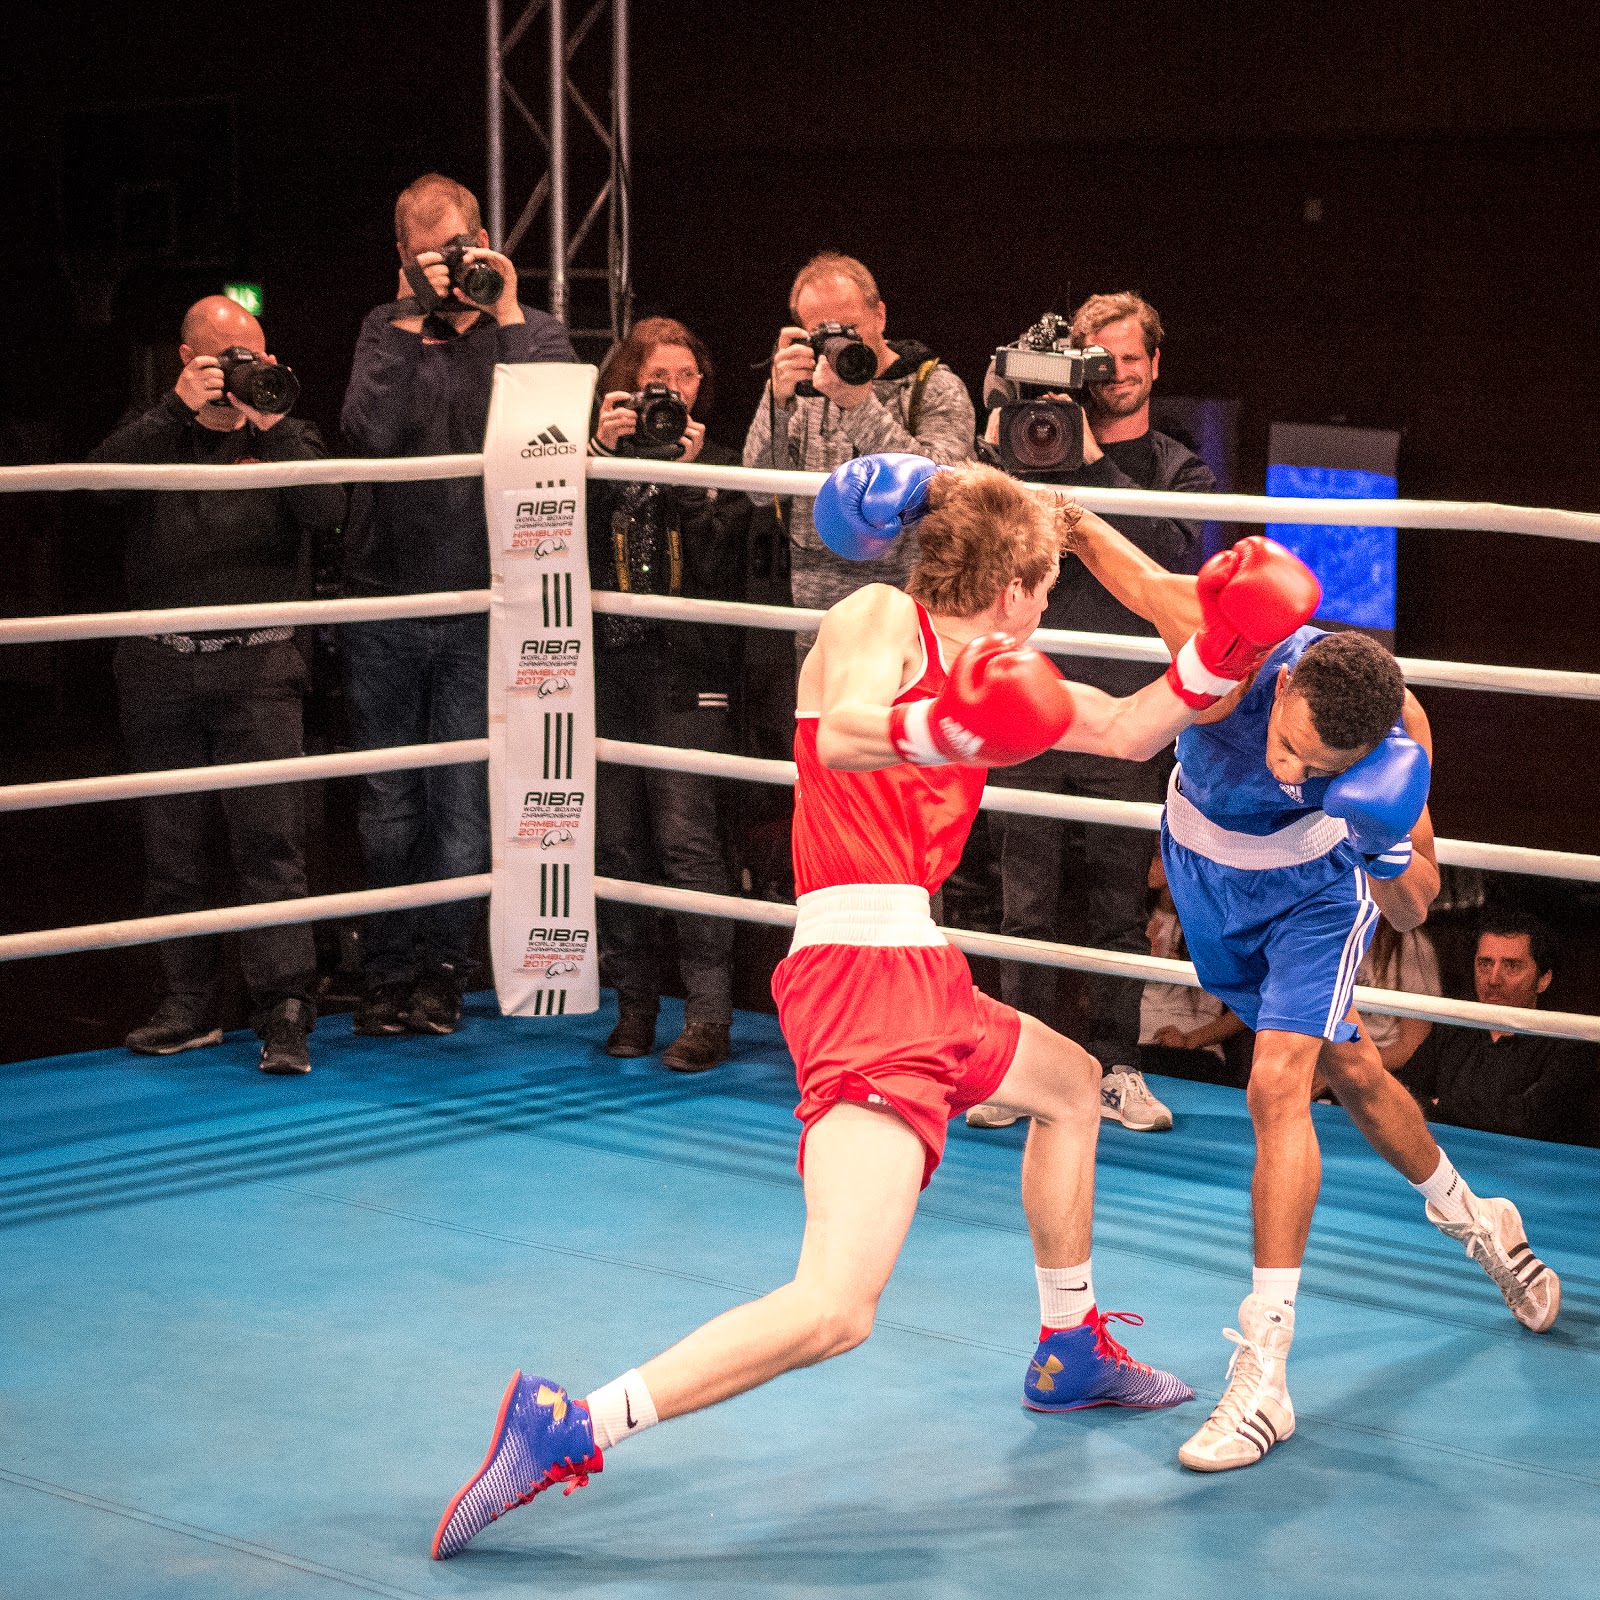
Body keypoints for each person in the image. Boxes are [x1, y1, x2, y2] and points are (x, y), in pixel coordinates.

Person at [429, 456, 1323, 1559]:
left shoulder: (998, 672)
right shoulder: (878, 618)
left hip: (920, 969)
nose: (1043, 613)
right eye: (1042, 594)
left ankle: (1069, 1342)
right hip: (860, 977)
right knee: (837, 1305)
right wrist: (940, 730)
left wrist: (1229, 644)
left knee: (1071, 1088)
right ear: (1013, 590)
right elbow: (844, 729)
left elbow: (1136, 726)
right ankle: (569, 1422)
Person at [1056, 506, 1563, 1472]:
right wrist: (1056, 513)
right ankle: (1476, 1218)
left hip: (1315, 897)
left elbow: (1415, 907)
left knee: (1277, 1081)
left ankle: (1266, 1372)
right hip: (1207, 878)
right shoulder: (1240, 646)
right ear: (1282, 681)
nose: (1289, 770)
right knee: (1359, 1072)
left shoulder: (1398, 733)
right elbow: (1111, 560)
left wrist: (1375, 842)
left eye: (1317, 768)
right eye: (1290, 747)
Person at [340, 174, 576, 1036]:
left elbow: (549, 431)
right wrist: (410, 316)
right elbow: (368, 433)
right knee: (386, 803)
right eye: (425, 254)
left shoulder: (535, 330)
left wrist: (504, 311)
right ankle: (386, 970)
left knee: (461, 803)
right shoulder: (384, 327)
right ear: (402, 256)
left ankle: (443, 972)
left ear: (483, 239)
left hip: (487, 601)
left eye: (458, 249)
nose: (445, 267)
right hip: (385, 599)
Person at [88, 295, 344, 1076]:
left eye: (256, 356)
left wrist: (271, 422)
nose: (244, 372)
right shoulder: (155, 431)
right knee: (173, 850)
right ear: (188, 360)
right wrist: (176, 410)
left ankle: (285, 1011)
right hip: (161, 668)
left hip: (260, 667)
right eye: (227, 359)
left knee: (272, 847)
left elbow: (330, 509)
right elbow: (95, 490)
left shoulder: (288, 430)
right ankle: (190, 1005)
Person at [980, 293, 1216, 1132]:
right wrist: (1007, 438)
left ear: (1153, 364)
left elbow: (1173, 563)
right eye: (1097, 361)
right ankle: (1019, 1072)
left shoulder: (1179, 468)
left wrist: (1089, 466)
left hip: (1129, 714)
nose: (1114, 374)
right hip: (1028, 703)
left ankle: (1118, 1067)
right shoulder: (1023, 453)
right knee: (1026, 906)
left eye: (1127, 359)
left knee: (1119, 908)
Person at [587, 317, 751, 1071]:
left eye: (687, 378)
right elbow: (551, 543)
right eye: (661, 378)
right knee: (619, 846)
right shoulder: (592, 456)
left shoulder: (717, 460)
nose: (675, 391)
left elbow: (727, 564)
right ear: (628, 384)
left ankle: (709, 1017)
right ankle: (635, 1009)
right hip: (605, 672)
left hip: (686, 673)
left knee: (686, 840)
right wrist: (593, 453)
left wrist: (689, 485)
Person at [741, 252, 974, 652]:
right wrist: (775, 402)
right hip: (818, 621)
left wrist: (859, 405)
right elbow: (759, 491)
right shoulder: (802, 390)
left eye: (849, 327)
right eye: (822, 331)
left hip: (912, 620)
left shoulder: (932, 387)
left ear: (880, 316)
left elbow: (943, 490)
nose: (838, 342)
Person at [1400, 913, 1598, 1143]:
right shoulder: (1453, 1027)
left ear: (1543, 979)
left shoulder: (1570, 1041)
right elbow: (1405, 1092)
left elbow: (1526, 1120)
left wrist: (1440, 1105)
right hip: (1448, 1156)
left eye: (1511, 966)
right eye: (1485, 964)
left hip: (1528, 1170)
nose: (1493, 979)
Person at [1139, 857, 1247, 1087]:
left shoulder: (1215, 925)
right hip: (1134, 1048)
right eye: (1153, 851)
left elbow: (1250, 1007)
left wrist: (1190, 1039)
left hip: (1195, 1055)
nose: (1154, 860)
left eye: (1161, 851)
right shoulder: (1130, 923)